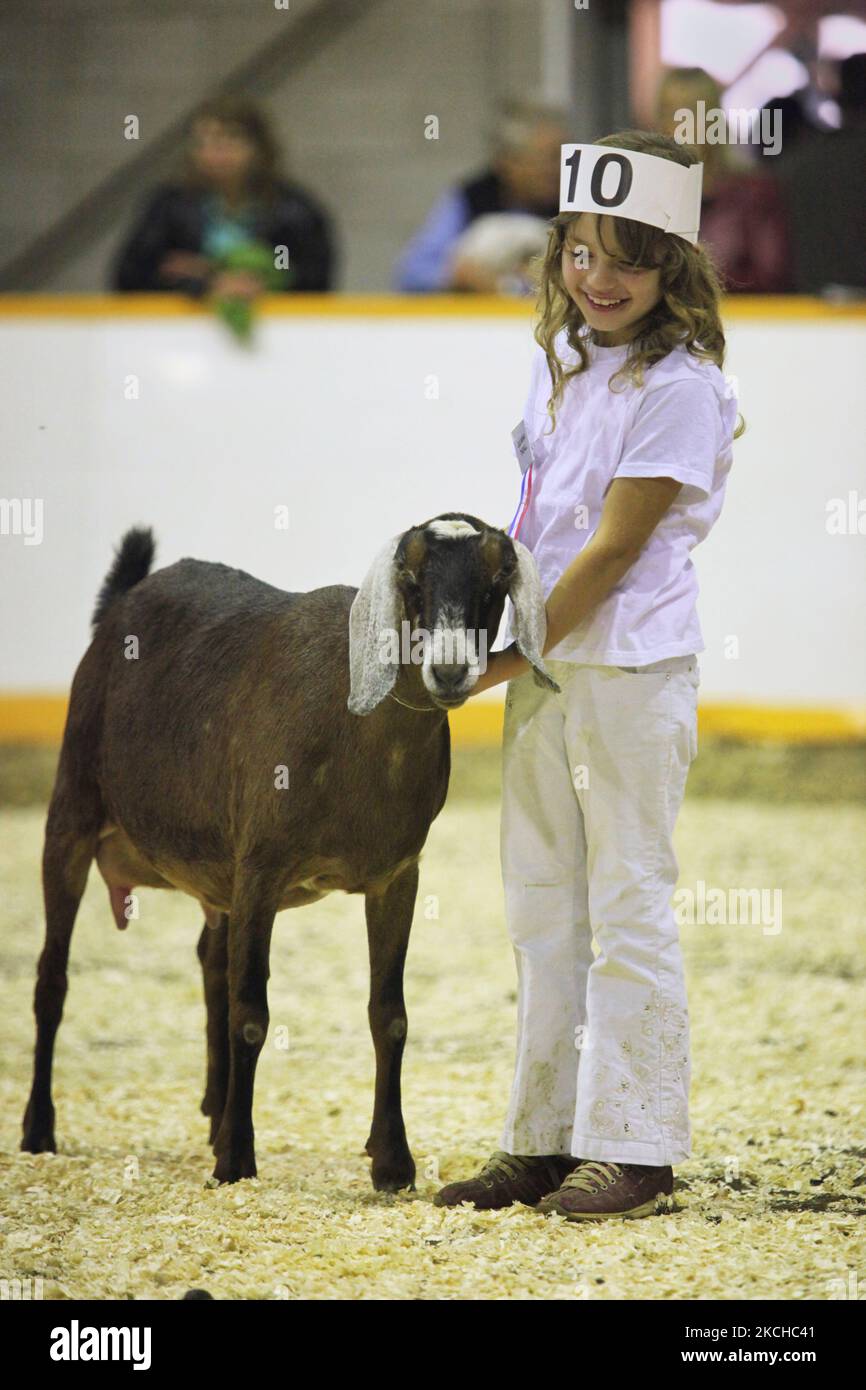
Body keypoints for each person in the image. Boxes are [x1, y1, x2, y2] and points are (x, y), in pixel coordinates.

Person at [434, 129, 742, 1221]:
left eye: (625, 258)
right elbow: (535, 517)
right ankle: (540, 1137)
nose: (596, 279)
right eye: (578, 252)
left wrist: (504, 654)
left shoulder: (684, 385)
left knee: (626, 902)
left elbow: (611, 550)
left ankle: (636, 1143)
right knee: (539, 907)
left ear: (671, 266)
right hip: (547, 668)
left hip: (626, 669)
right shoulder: (556, 361)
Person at [112, 97, 335, 297]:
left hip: (276, 332)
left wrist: (264, 279)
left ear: (258, 146)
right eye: (205, 141)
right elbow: (130, 277)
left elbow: (315, 279)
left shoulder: (294, 209)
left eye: (230, 138)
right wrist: (201, 283)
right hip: (182, 332)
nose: (217, 151)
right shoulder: (169, 205)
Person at [393, 101, 567, 292]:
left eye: (564, 159)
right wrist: (461, 275)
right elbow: (413, 272)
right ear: (509, 162)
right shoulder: (471, 198)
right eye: (549, 159)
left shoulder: (573, 207)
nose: (558, 170)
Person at [655, 67, 793, 293]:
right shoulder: (648, 195)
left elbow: (773, 277)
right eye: (668, 111)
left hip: (743, 320)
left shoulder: (754, 194)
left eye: (689, 112)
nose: (678, 126)